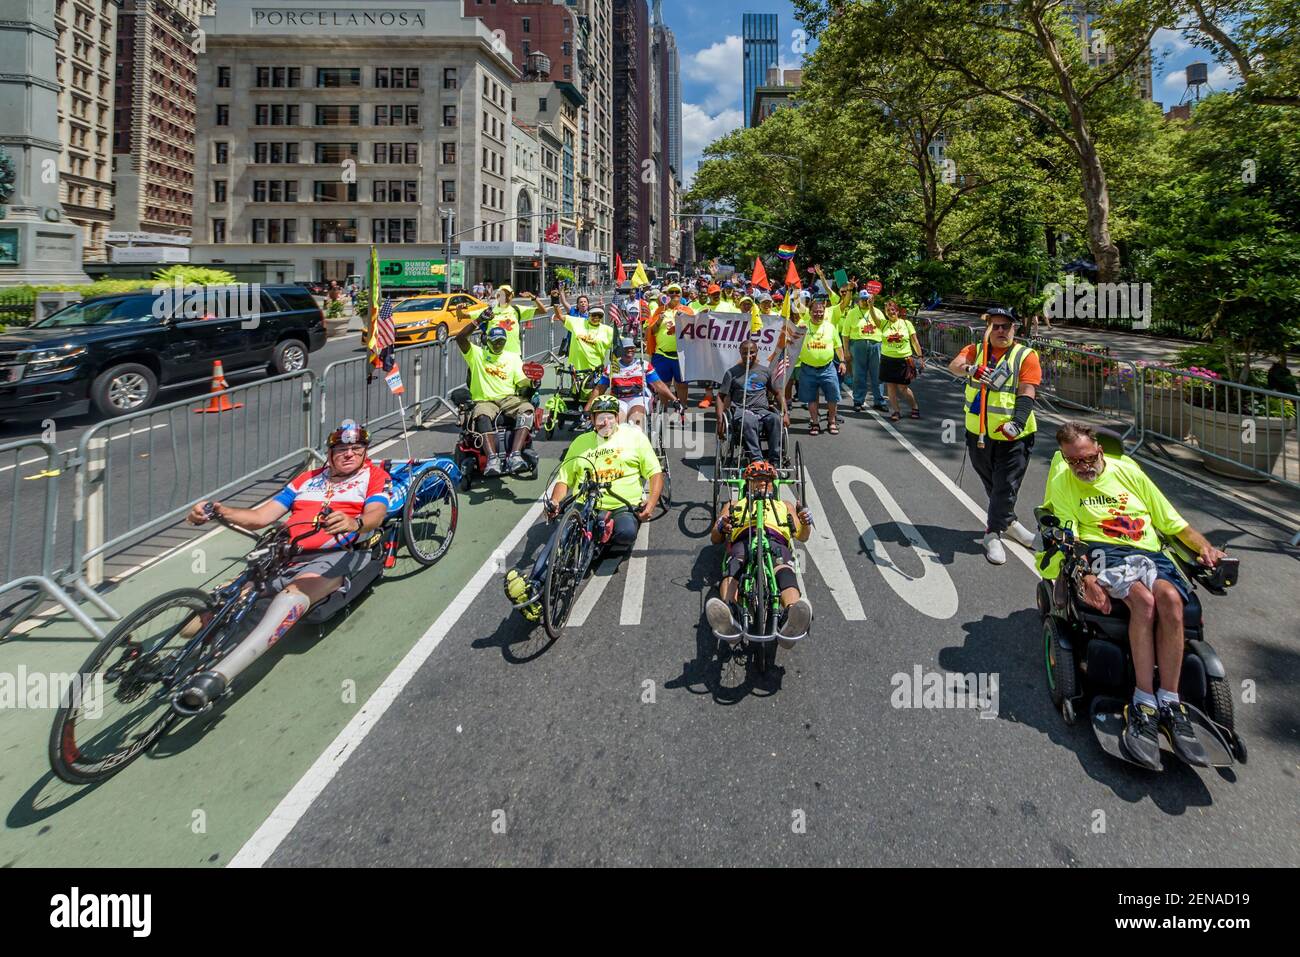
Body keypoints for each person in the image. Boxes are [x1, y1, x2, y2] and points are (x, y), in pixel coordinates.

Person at [1041, 421, 1228, 770]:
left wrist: (1205, 548)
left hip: (1148, 550)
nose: (1082, 467)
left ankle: (1171, 702)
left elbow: (1171, 522)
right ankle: (1144, 701)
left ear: (1099, 450)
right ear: (1065, 460)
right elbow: (1070, 538)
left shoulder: (1128, 471)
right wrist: (1086, 577)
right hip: (1104, 553)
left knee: (1171, 599)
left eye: (1087, 459)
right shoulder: (1064, 482)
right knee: (1142, 600)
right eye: (1073, 462)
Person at [178, 420, 392, 709]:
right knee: (193, 625)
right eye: (342, 449)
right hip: (285, 555)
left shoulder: (374, 476)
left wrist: (355, 522)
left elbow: (377, 514)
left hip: (337, 554)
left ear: (365, 451)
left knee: (289, 598)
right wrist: (219, 510)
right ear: (330, 452)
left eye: (357, 448)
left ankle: (219, 676)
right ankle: (158, 663)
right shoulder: (306, 480)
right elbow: (261, 517)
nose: (350, 454)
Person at [503, 395, 663, 621]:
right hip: (585, 502)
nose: (605, 423)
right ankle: (533, 584)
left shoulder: (634, 437)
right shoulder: (580, 443)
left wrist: (652, 502)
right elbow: (564, 479)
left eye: (609, 417)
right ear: (592, 419)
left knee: (626, 532)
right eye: (600, 418)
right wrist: (556, 501)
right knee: (563, 533)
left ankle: (599, 548)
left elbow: (655, 473)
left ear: (617, 417)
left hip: (621, 505)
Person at [948, 307, 1041, 564]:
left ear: (1014, 329)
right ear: (989, 328)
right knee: (992, 483)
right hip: (978, 433)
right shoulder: (976, 351)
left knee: (1005, 485)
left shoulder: (1025, 355)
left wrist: (1018, 422)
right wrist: (971, 370)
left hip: (1014, 436)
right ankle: (1010, 524)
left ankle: (992, 533)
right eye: (996, 326)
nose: (1001, 331)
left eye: (1006, 326)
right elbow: (954, 366)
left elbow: (1027, 390)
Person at [705, 459, 813, 647]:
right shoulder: (734, 503)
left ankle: (791, 617)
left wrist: (805, 522)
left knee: (783, 568)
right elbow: (715, 538)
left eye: (767, 480)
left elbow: (802, 536)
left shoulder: (785, 505)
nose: (763, 482)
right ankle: (731, 615)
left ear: (773, 484)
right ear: (748, 483)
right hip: (743, 539)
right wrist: (721, 525)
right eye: (757, 479)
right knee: (735, 565)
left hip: (776, 539)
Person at [454, 307, 537, 476]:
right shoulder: (477, 354)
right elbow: (460, 338)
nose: (498, 344)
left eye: (501, 341)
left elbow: (522, 382)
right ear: (488, 341)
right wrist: (478, 321)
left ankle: (515, 455)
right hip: (485, 400)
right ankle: (492, 459)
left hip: (508, 398)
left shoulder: (512, 357)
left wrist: (533, 382)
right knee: (481, 415)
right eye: (495, 341)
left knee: (527, 409)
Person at [718, 338, 788, 464]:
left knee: (775, 419)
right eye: (745, 353)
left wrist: (785, 414)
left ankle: (775, 460)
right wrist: (720, 420)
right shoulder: (731, 373)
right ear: (740, 352)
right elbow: (720, 396)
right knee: (749, 420)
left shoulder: (765, 371)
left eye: (752, 352)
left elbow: (777, 393)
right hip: (741, 410)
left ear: (757, 352)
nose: (749, 356)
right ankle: (757, 460)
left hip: (762, 410)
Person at [589, 336, 681, 429]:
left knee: (635, 420)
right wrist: (587, 408)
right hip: (619, 399)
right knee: (617, 423)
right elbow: (599, 388)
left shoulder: (643, 364)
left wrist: (674, 400)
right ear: (620, 350)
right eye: (626, 348)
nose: (629, 351)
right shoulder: (611, 367)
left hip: (639, 398)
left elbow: (659, 384)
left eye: (632, 348)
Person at [797, 296, 846, 436]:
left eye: (821, 311)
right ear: (810, 311)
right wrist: (797, 331)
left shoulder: (830, 327)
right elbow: (792, 340)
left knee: (833, 397)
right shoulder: (803, 325)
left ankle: (831, 421)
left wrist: (842, 361)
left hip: (828, 368)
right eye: (815, 311)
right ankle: (815, 423)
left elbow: (838, 346)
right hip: (808, 368)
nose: (818, 314)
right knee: (811, 398)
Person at [647, 283, 693, 409]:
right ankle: (664, 409)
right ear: (667, 295)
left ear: (681, 294)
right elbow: (653, 331)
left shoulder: (687, 310)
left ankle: (682, 408)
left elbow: (693, 330)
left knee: (682, 384)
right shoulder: (659, 310)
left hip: (682, 355)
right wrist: (659, 320)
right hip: (662, 354)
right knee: (663, 384)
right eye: (671, 292)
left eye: (676, 292)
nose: (674, 294)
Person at [843, 288, 890, 412]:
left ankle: (879, 401)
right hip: (858, 345)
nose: (864, 302)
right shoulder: (852, 313)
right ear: (858, 300)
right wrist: (846, 351)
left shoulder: (877, 312)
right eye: (862, 299)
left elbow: (884, 328)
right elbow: (845, 334)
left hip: (876, 345)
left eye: (867, 299)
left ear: (870, 299)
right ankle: (858, 400)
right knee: (859, 374)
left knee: (878, 375)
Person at [879, 300, 925, 420]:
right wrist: (870, 304)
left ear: (897, 311)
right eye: (888, 311)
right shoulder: (883, 324)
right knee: (890, 386)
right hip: (887, 359)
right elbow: (873, 315)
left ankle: (914, 407)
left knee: (903, 388)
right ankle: (896, 411)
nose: (890, 312)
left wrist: (920, 357)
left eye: (892, 310)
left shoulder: (906, 324)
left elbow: (915, 341)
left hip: (903, 360)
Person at [482, 283, 526, 355]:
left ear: (512, 296)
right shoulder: (490, 311)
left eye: (508, 295)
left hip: (513, 355)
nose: (505, 297)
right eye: (502, 294)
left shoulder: (517, 310)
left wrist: (533, 297)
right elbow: (465, 316)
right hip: (494, 355)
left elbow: (543, 311)